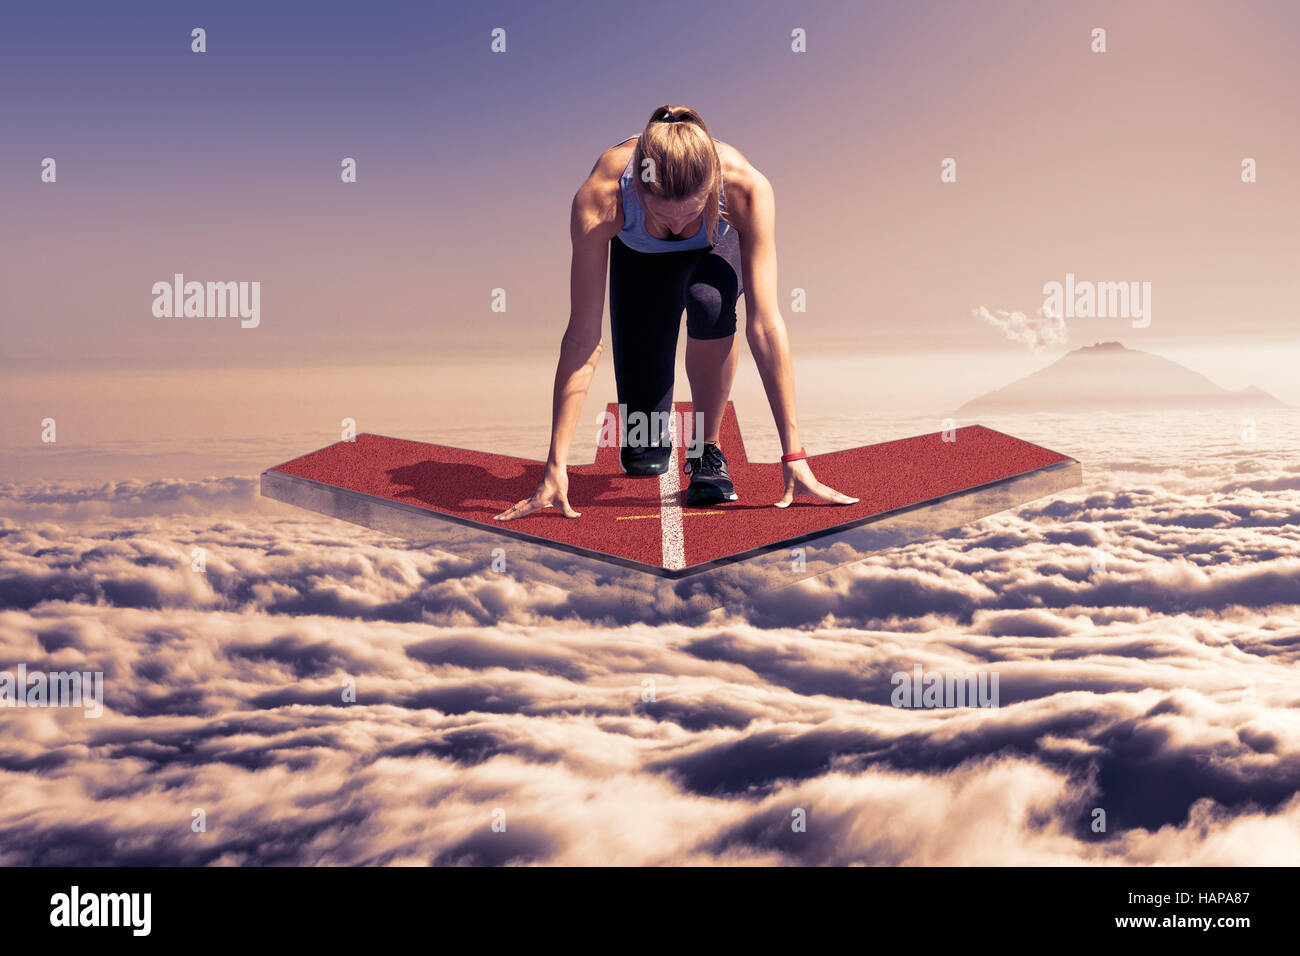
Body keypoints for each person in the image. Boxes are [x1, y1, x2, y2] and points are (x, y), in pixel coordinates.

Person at [495, 104, 857, 520]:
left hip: (714, 248)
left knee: (710, 303)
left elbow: (766, 325)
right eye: (662, 216)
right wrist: (554, 467)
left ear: (713, 188)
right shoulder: (602, 196)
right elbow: (582, 337)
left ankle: (706, 449)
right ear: (639, 193)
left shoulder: (746, 189)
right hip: (639, 258)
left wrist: (794, 454)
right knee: (642, 451)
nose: (677, 229)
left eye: (690, 214)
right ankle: (648, 435)